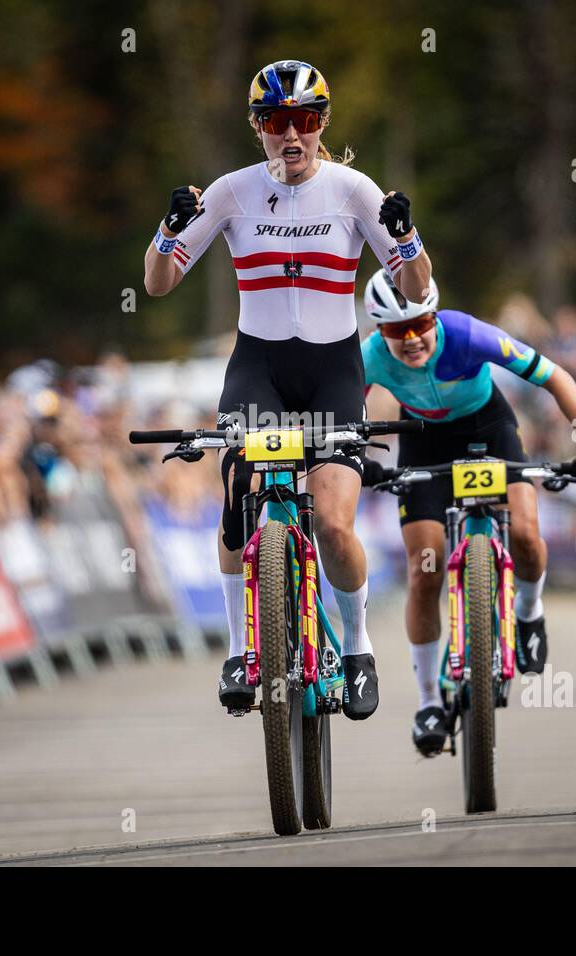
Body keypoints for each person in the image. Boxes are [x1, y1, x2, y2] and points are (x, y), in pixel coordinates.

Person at [144, 59, 432, 719]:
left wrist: (407, 240)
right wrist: (166, 231)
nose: (291, 135)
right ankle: (241, 648)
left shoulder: (354, 188)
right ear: (258, 128)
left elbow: (417, 293)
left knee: (332, 522)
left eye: (304, 120)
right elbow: (159, 283)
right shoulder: (231, 192)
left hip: (332, 370)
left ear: (323, 122)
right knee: (236, 497)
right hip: (260, 368)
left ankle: (357, 649)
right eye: (276, 122)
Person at [358, 270, 576, 754]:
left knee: (528, 536)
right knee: (423, 567)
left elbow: (555, 377)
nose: (411, 340)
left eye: (420, 324)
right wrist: (357, 459)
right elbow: (344, 413)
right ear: (378, 331)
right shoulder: (367, 357)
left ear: (436, 315)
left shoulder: (469, 334)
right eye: (395, 330)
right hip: (423, 444)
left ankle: (529, 612)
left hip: (488, 429)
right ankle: (429, 699)